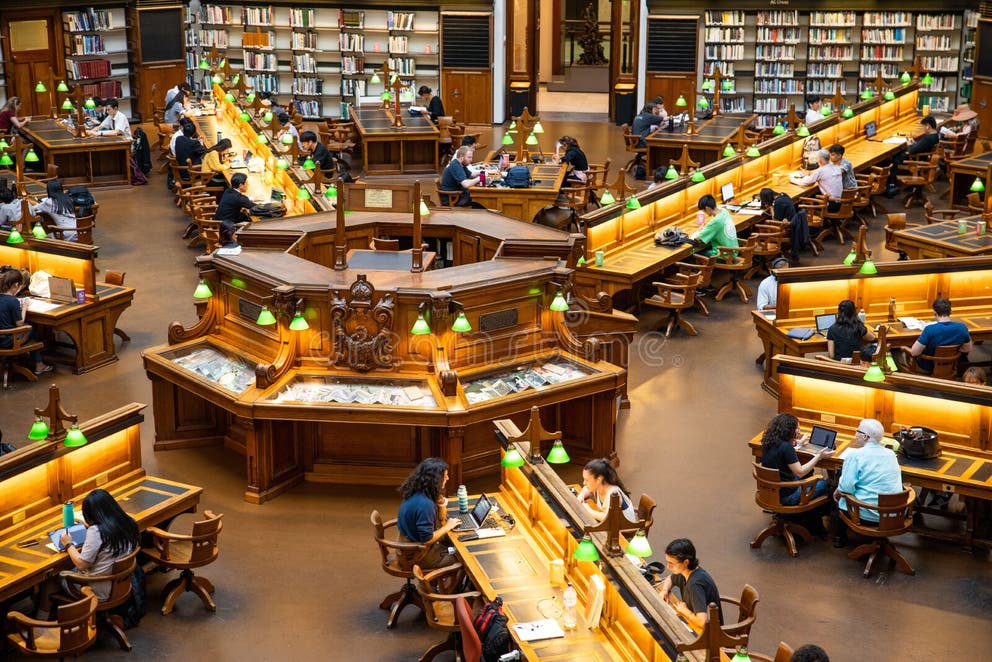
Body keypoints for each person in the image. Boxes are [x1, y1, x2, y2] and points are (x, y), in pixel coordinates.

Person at [45, 489, 138, 612]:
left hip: (97, 590)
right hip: (121, 585)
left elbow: (81, 564)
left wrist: (68, 544)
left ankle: (42, 622)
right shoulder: (128, 522)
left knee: (51, 578)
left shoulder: (96, 532)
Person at [833, 418, 902, 547]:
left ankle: (839, 538)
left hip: (868, 515)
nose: (855, 433)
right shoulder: (891, 454)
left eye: (857, 431)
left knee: (840, 499)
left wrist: (838, 489)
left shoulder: (855, 456)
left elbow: (846, 489)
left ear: (865, 436)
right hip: (893, 515)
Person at [396, 457, 459, 569]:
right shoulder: (425, 504)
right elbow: (427, 539)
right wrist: (448, 526)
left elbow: (440, 518)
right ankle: (444, 585)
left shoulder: (416, 490)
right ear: (436, 480)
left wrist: (442, 503)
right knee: (460, 559)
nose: (448, 478)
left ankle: (438, 583)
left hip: (407, 547)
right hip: (416, 556)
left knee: (449, 543)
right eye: (445, 477)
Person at [760, 413, 832, 508]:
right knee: (827, 484)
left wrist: (798, 444)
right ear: (789, 430)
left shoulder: (768, 441)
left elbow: (782, 453)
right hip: (788, 496)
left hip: (771, 490)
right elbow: (800, 472)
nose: (799, 431)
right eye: (797, 428)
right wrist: (819, 456)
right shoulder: (786, 447)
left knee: (810, 471)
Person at [656, 538, 722, 630]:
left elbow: (702, 622)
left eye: (672, 563)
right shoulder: (685, 572)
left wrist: (685, 611)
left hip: (708, 634)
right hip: (694, 622)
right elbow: (670, 578)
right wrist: (665, 590)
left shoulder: (695, 585)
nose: (668, 566)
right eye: (667, 562)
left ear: (686, 562)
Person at [0, 268, 51, 375]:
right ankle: (39, 364)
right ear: (16, 285)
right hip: (9, 340)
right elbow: (20, 324)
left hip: (2, 337)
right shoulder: (12, 301)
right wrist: (24, 307)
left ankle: (34, 361)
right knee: (32, 327)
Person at [906, 298, 972, 373]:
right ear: (951, 311)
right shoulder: (962, 328)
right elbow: (967, 349)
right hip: (951, 366)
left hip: (928, 368)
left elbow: (914, 352)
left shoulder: (930, 330)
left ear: (934, 312)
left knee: (898, 354)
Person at [575, 458, 637, 522]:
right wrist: (581, 496)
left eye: (587, 480)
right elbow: (586, 488)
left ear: (599, 479)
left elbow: (610, 519)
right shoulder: (599, 486)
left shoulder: (613, 494)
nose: (584, 483)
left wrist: (589, 511)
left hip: (625, 530)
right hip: (613, 526)